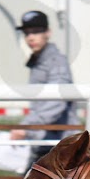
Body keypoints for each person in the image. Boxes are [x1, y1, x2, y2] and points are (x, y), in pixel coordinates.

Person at [13, 10, 76, 166]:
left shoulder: (56, 62)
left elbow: (57, 101)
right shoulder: (39, 62)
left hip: (59, 145)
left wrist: (28, 127)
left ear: (48, 33)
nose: (30, 37)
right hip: (47, 142)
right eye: (27, 33)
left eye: (35, 32)